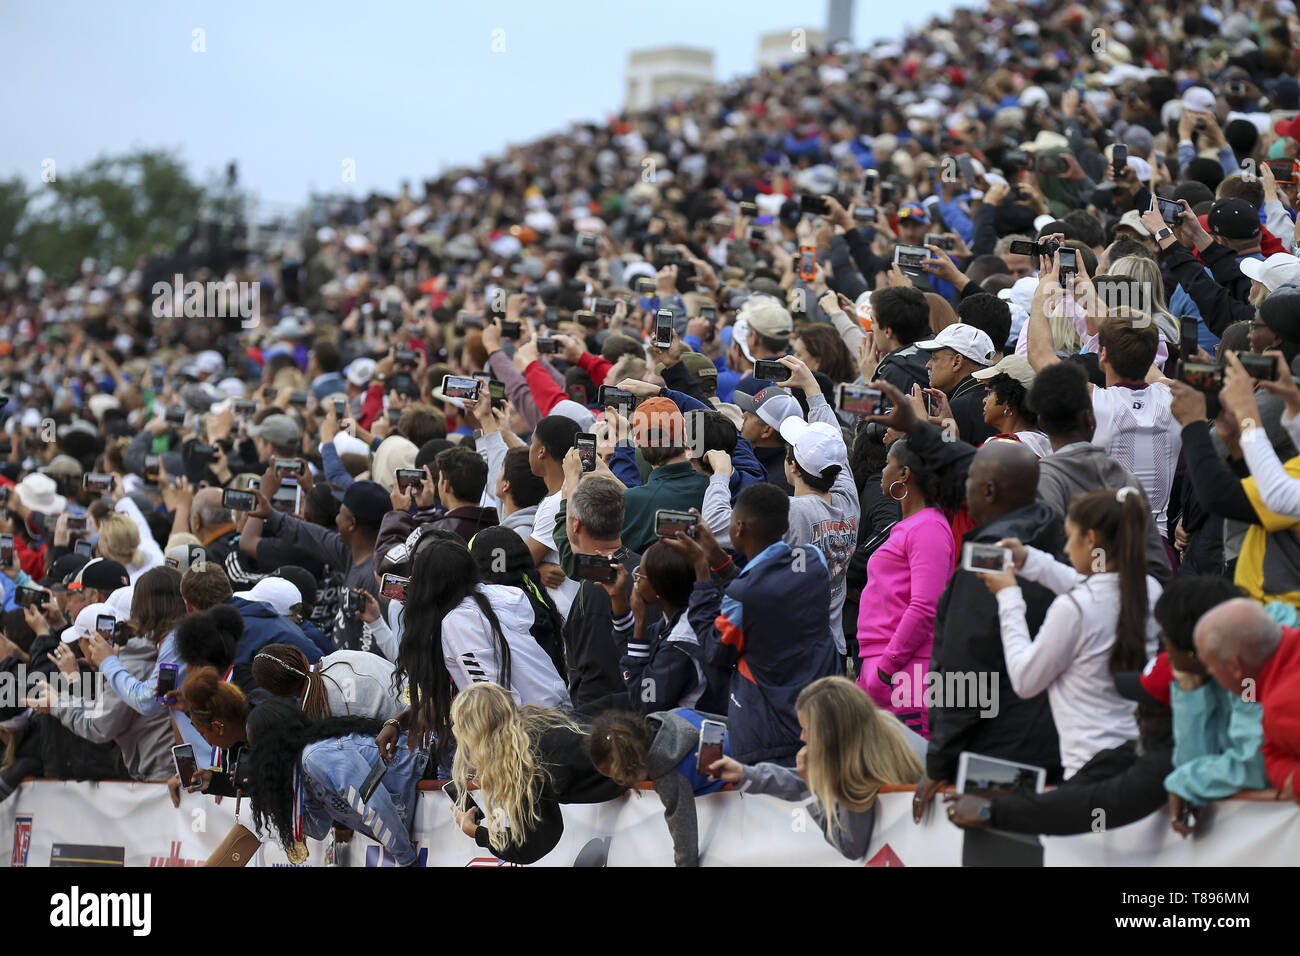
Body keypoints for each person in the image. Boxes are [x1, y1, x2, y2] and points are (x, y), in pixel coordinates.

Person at [982, 488, 1162, 778]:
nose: (1066, 549)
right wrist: (1029, 560)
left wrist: (1009, 596)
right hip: (1139, 760)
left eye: (1070, 537)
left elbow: (1025, 680)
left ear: (1091, 539)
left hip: (1088, 771)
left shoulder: (1074, 609)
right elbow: (1094, 590)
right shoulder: (1149, 589)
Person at [676, 485, 840, 766]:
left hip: (769, 737)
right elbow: (764, 592)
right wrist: (717, 557)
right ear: (786, 525)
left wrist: (703, 573)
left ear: (738, 529)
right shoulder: (813, 561)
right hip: (819, 722)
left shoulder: (744, 595)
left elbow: (716, 649)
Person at [392, 538, 568, 766]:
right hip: (556, 715)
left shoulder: (460, 620)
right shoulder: (494, 597)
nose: (411, 582)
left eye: (417, 576)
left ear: (433, 583)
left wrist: (499, 766)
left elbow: (495, 699)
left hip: (534, 736)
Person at [708, 676, 925, 861]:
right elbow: (804, 778)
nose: (802, 738)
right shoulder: (873, 732)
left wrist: (813, 790)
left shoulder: (859, 765)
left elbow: (850, 845)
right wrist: (746, 774)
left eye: (806, 729)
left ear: (830, 731)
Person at [443, 682, 626, 865]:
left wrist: (476, 832)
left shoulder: (527, 757)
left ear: (473, 733)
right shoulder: (537, 725)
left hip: (644, 770)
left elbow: (532, 844)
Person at [856, 437, 959, 737]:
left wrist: (886, 668)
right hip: (889, 669)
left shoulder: (928, 527)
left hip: (906, 675)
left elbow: (926, 605)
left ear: (904, 474)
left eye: (888, 463)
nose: (883, 471)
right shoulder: (914, 525)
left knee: (906, 780)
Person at [246, 700, 428, 866]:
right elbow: (319, 828)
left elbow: (373, 804)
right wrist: (275, 804)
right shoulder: (301, 772)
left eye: (256, 748)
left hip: (429, 769)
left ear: (269, 747)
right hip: (416, 799)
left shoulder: (315, 755)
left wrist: (407, 860)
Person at [25, 601, 174, 781]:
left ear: (92, 642)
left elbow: (99, 726)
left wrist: (57, 703)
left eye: (79, 641)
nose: (81, 652)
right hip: (160, 770)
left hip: (162, 774)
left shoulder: (128, 665)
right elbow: (101, 712)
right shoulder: (130, 659)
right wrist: (61, 698)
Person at [246, 480, 391, 654]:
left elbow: (372, 646)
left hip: (354, 675)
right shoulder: (351, 554)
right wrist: (271, 514)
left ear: (351, 524)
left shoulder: (374, 578)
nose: (336, 519)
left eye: (340, 513)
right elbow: (315, 537)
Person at [588, 707, 731, 867]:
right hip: (757, 744)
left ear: (628, 768)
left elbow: (684, 829)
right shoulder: (673, 715)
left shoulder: (668, 775)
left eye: (618, 777)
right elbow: (727, 722)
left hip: (748, 776)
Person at [602, 542, 726, 715]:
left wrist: (640, 623)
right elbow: (633, 649)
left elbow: (645, 701)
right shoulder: (684, 616)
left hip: (693, 735)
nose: (636, 581)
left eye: (641, 576)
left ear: (657, 588)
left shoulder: (680, 643)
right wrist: (618, 596)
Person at [1195, 598, 1300, 800]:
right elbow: (1270, 752)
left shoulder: (1283, 705)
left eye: (1210, 666)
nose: (1209, 672)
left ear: (1234, 666)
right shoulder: (1257, 685)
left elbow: (1263, 758)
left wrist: (1294, 783)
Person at [250, 643, 405, 721]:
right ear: (299, 654)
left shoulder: (318, 712)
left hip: (415, 736)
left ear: (279, 692)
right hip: (425, 701)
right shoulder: (340, 656)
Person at [914, 323, 999, 445]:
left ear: (957, 362)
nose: (928, 365)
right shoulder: (990, 396)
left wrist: (913, 430)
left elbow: (945, 455)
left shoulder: (959, 408)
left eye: (934, 358)